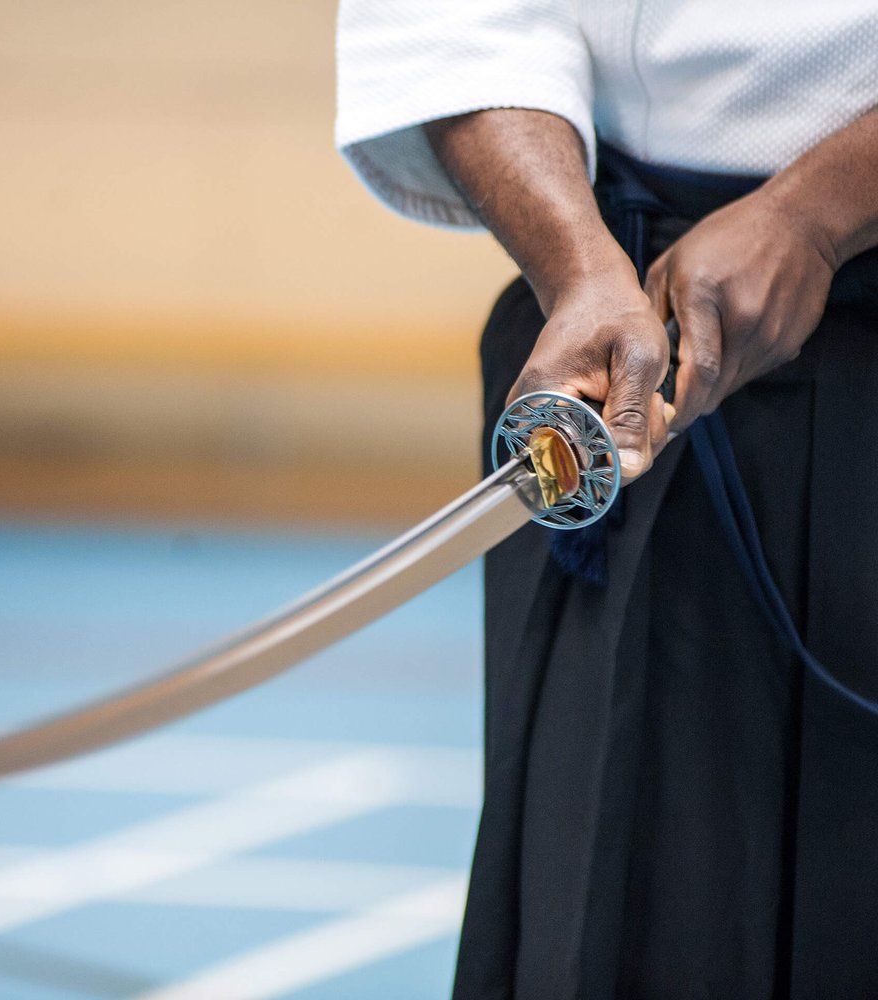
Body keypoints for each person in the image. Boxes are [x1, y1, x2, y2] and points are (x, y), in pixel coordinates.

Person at [336, 3, 878, 998]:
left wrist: (817, 212)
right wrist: (575, 263)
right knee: (627, 923)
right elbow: (454, 23)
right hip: (617, 349)